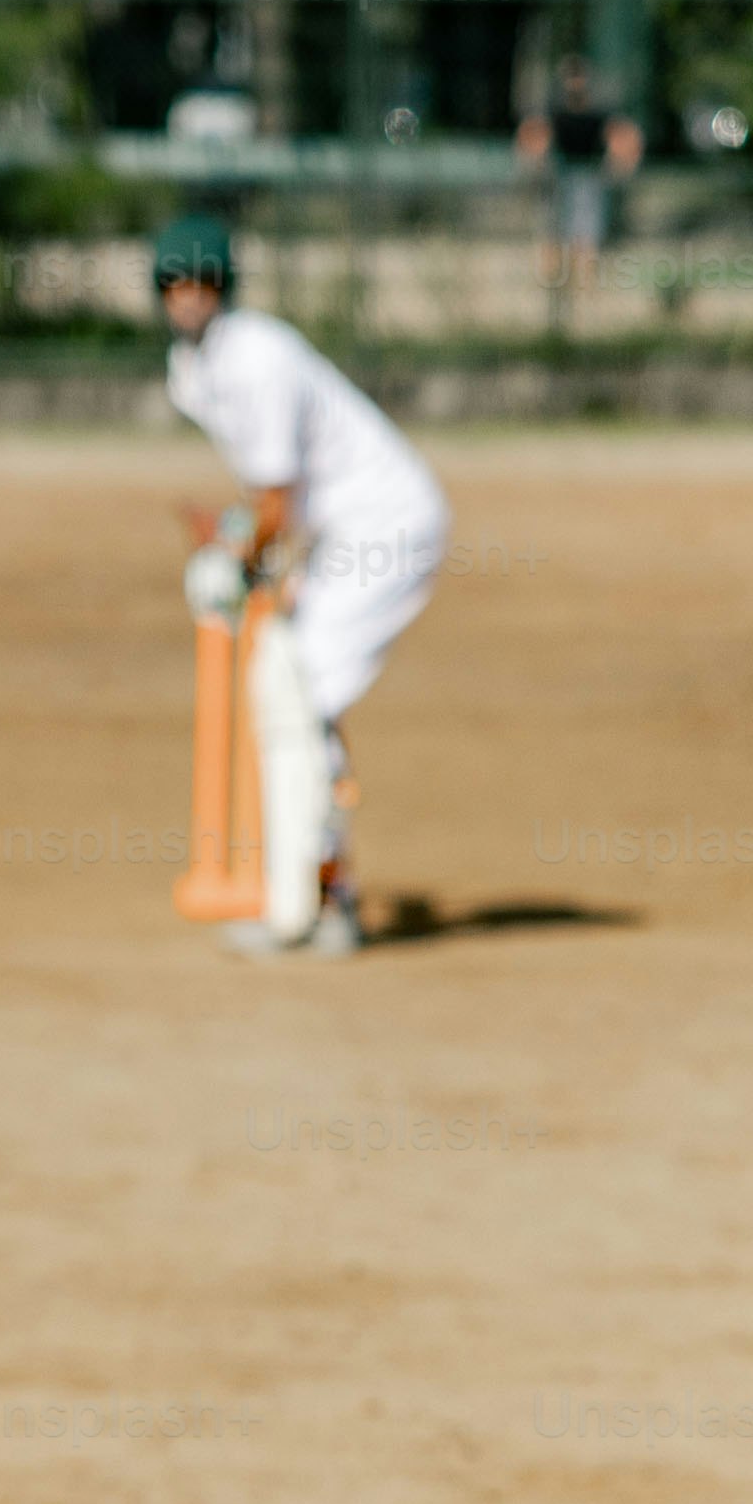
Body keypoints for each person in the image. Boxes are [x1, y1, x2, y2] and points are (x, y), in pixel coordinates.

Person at [155, 212, 445, 958]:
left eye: (201, 282)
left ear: (224, 286)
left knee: (300, 693)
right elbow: (271, 499)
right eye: (172, 283)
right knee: (294, 695)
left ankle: (320, 904)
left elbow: (277, 501)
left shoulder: (256, 357)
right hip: (343, 531)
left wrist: (240, 557)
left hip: (385, 525)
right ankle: (317, 894)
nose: (186, 297)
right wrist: (241, 541)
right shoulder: (194, 370)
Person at [509, 55, 644, 327]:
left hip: (586, 178)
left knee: (584, 240)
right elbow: (532, 140)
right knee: (553, 238)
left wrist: (616, 166)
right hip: (560, 178)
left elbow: (625, 138)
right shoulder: (554, 110)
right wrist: (535, 165)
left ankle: (585, 298)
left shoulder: (598, 112)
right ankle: (553, 296)